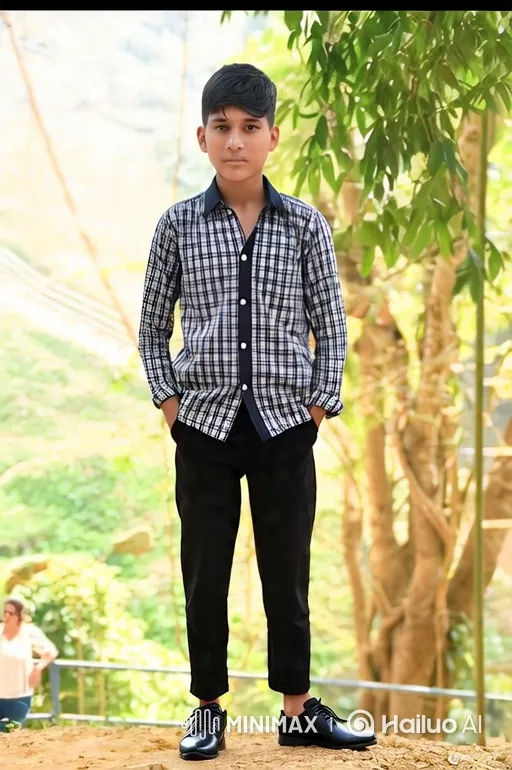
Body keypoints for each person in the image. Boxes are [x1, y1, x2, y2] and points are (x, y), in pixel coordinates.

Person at [138, 63, 377, 760]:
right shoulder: (177, 226)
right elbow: (154, 326)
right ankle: (208, 708)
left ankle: (297, 709)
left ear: (273, 136)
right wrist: (169, 401)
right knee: (205, 572)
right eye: (222, 128)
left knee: (287, 572)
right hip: (203, 428)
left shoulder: (304, 225)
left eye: (249, 128)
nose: (235, 142)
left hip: (284, 428)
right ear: (202, 138)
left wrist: (320, 407)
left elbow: (331, 325)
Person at [0, 596, 58, 732]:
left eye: (11, 613)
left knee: (10, 732)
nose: (6, 616)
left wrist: (37, 668)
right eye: (5, 612)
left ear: (20, 616)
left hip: (20, 696)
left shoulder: (30, 633)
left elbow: (51, 651)